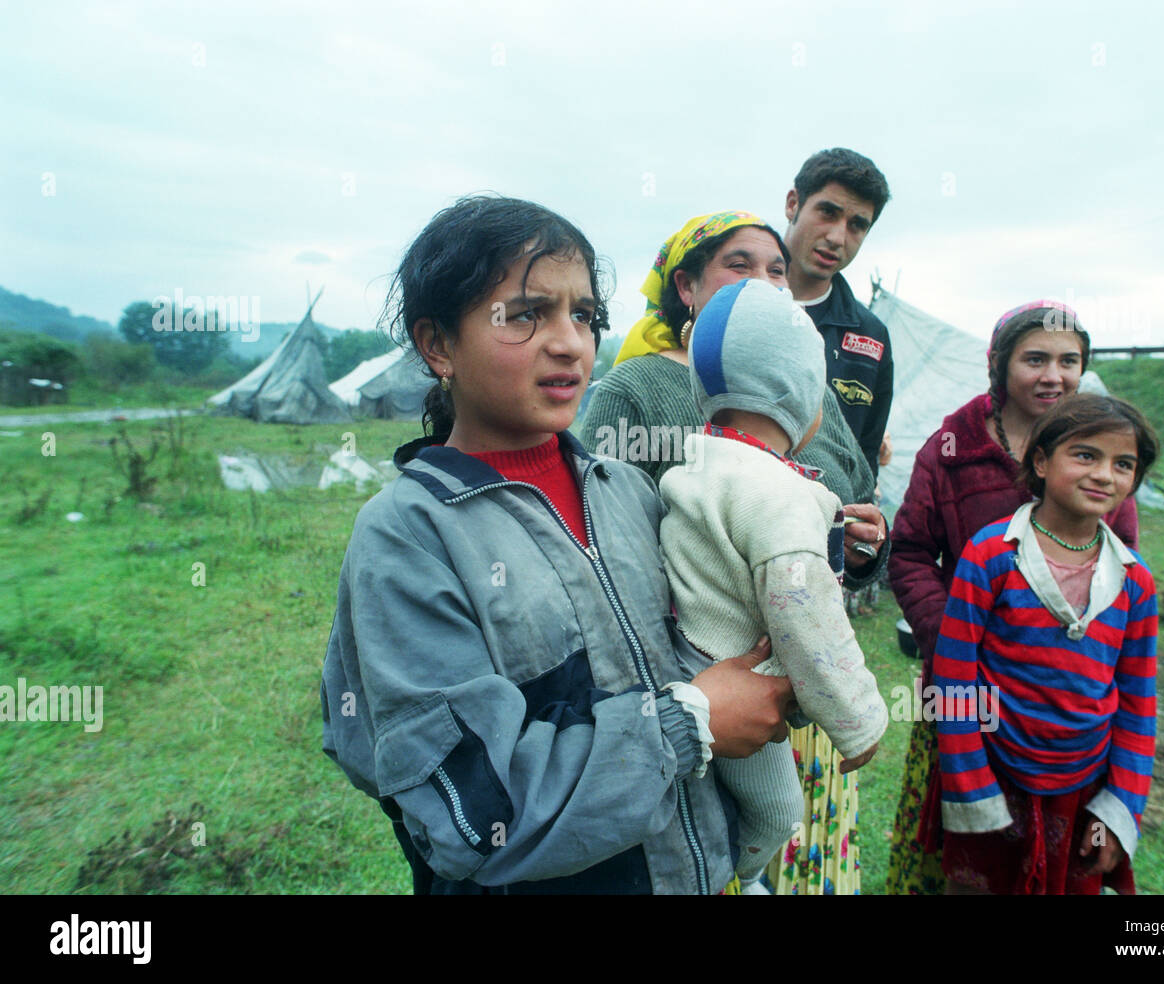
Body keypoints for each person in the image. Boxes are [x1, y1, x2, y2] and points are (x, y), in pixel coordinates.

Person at [319, 195, 795, 894]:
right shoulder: (409, 536)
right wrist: (687, 724)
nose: (570, 342)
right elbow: (474, 813)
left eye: (583, 315)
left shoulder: (630, 492)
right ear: (438, 345)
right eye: (526, 313)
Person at [581, 210, 889, 894]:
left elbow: (852, 489)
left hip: (792, 680)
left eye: (777, 271)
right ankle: (732, 877)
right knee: (755, 815)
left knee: (782, 822)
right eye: (739, 266)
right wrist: (860, 717)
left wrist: (862, 546)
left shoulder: (761, 412)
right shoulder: (635, 389)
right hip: (731, 682)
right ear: (686, 287)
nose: (764, 284)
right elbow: (603, 525)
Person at [884, 300, 1140, 895]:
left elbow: (1121, 559)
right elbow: (913, 552)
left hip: (1068, 693)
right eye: (1035, 359)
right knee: (967, 847)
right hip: (965, 686)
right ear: (999, 364)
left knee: (1059, 851)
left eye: (1069, 361)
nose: (1054, 375)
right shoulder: (954, 445)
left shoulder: (1096, 445)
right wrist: (956, 642)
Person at [659, 278, 890, 893]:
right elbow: (805, 615)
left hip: (683, 672)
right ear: (805, 399)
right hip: (743, 688)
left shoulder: (697, 466)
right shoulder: (778, 494)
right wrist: (858, 720)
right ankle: (733, 878)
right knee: (777, 812)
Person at [933, 393, 1160, 894]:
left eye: (1124, 463)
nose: (1104, 474)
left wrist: (1119, 806)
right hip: (992, 770)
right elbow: (951, 680)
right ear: (1041, 460)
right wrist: (971, 787)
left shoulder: (1134, 581)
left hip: (1084, 789)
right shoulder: (990, 555)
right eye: (1085, 455)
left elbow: (1140, 704)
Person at [782, 148, 893, 478]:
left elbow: (866, 459)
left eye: (857, 225)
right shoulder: (731, 302)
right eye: (827, 213)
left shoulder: (871, 336)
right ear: (793, 204)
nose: (837, 237)